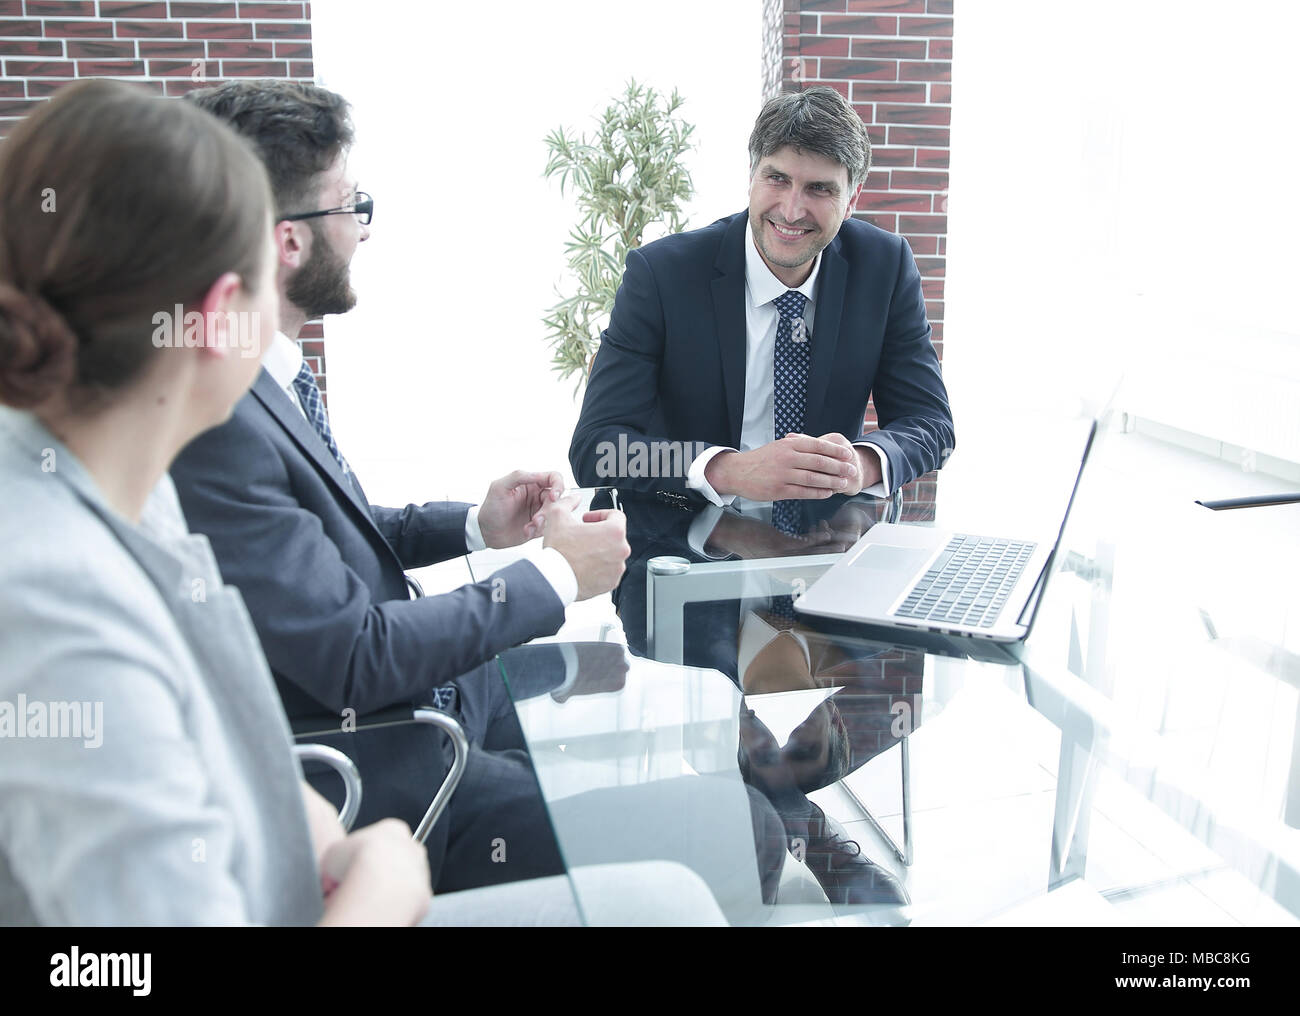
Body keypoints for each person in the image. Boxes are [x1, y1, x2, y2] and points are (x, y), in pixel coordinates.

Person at [169, 80, 629, 892]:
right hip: (399, 773)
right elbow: (353, 657)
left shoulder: (268, 374)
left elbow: (316, 531)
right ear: (287, 243)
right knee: (735, 829)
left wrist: (478, 529)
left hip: (448, 692)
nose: (364, 230)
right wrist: (558, 574)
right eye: (352, 204)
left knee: (644, 692)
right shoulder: (219, 417)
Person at [0, 79, 429, 925]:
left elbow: (219, 733)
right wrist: (386, 883)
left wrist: (312, 832)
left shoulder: (121, 483)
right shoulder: (55, 604)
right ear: (220, 316)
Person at [569, 86, 955, 506]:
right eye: (777, 179)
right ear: (752, 176)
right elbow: (599, 449)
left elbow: (932, 424)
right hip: (682, 541)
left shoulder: (885, 266)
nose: (791, 211)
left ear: (851, 199)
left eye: (820, 189)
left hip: (823, 542)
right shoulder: (662, 274)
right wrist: (729, 470)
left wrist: (859, 465)